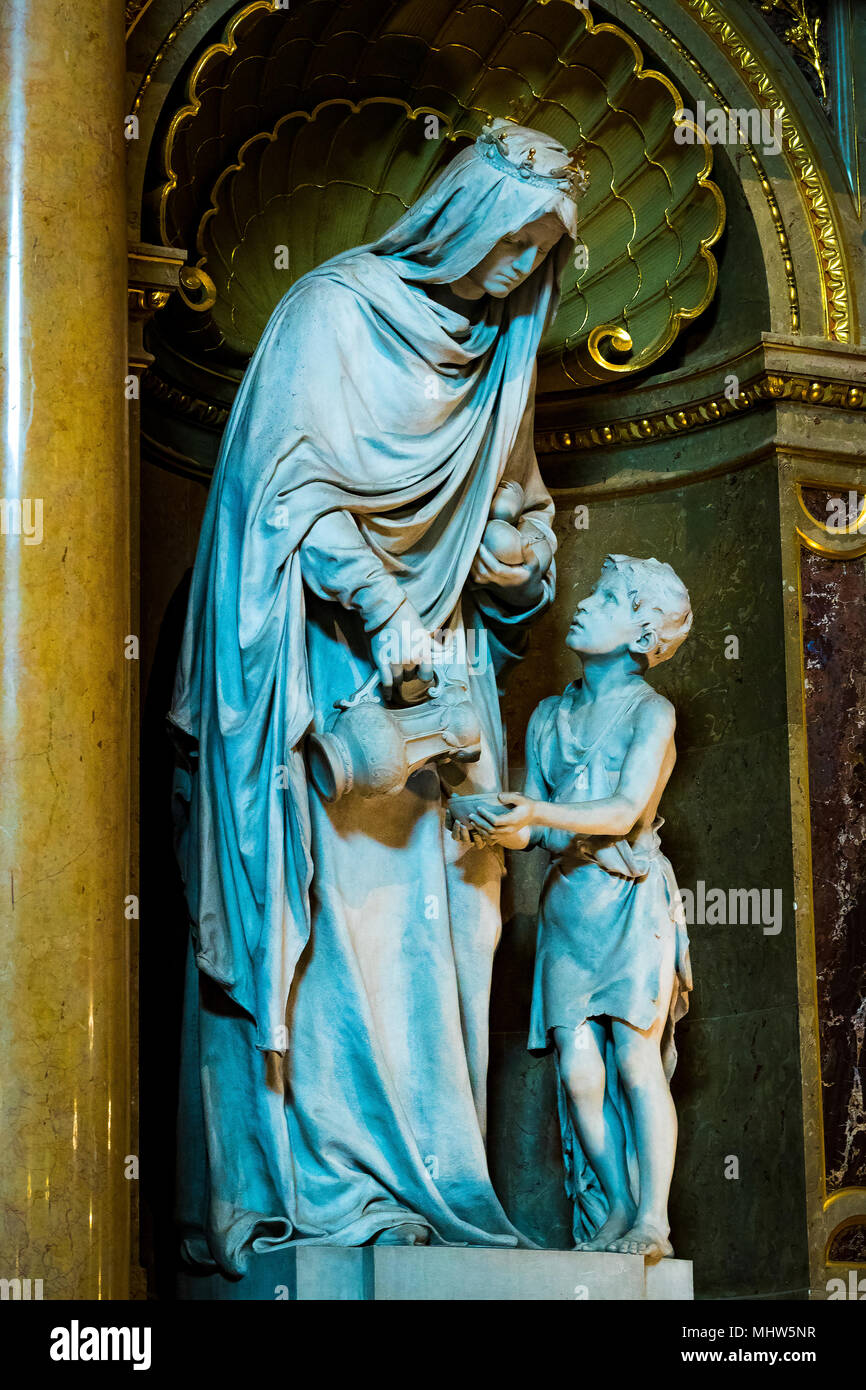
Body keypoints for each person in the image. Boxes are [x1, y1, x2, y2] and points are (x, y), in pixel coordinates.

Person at [169, 120, 588, 1273]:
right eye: (507, 244)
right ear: (458, 215)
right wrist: (382, 600)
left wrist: (516, 560)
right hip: (324, 681)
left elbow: (521, 510)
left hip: (445, 689)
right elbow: (282, 492)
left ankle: (437, 1179)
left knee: (461, 914)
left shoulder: (498, 356)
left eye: (537, 256)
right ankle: (334, 1194)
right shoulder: (331, 312)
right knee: (339, 929)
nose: (514, 274)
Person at [467, 555, 693, 1262]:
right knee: (576, 1070)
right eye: (593, 591)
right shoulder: (548, 716)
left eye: (607, 598)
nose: (586, 604)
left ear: (642, 633)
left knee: (634, 1058)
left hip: (629, 897)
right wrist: (499, 819)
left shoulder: (652, 711)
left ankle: (652, 1217)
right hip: (569, 903)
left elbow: (626, 808)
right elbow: (546, 830)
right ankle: (618, 1204)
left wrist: (536, 810)